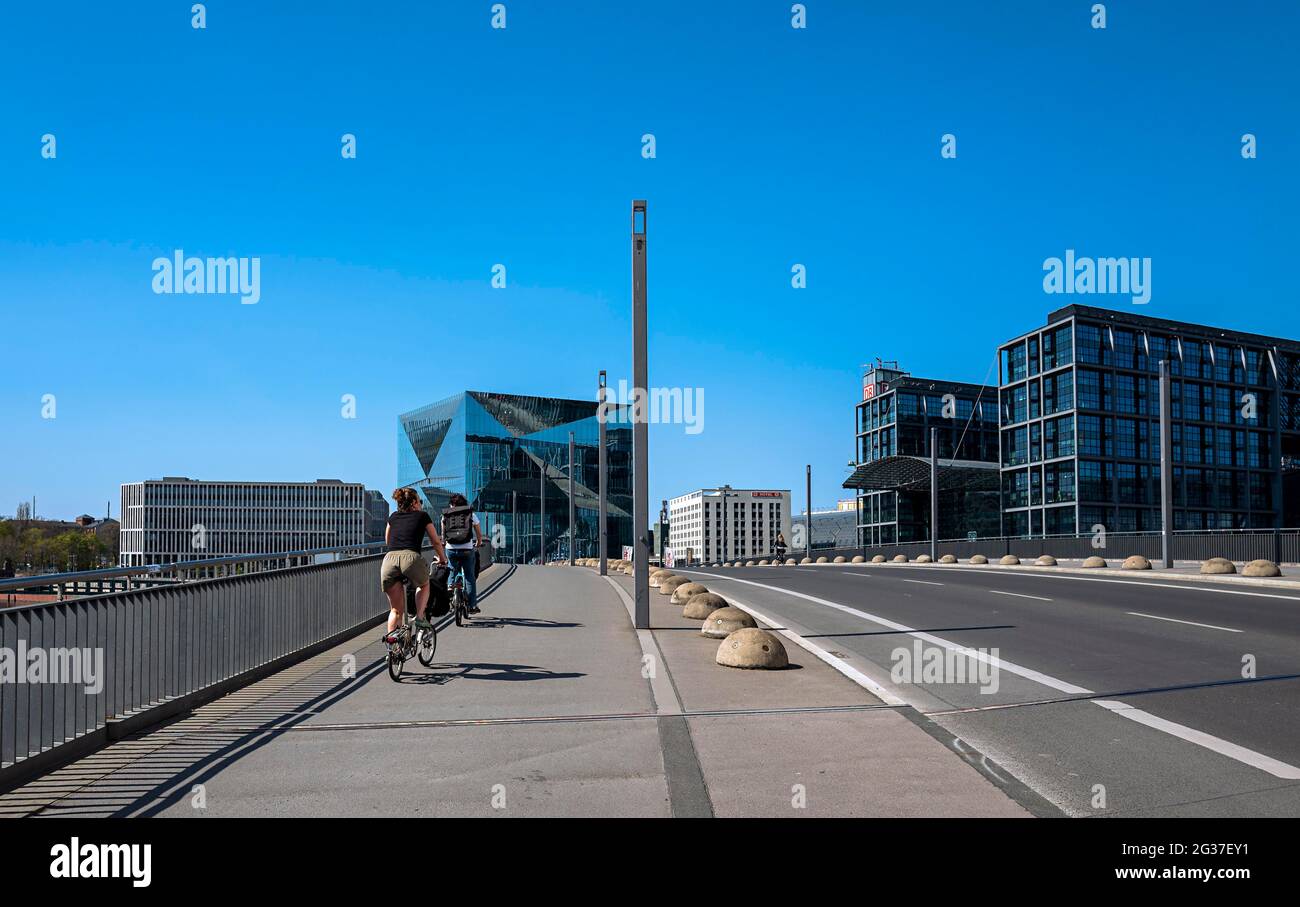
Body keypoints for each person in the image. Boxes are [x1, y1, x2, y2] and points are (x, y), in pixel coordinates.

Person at [381, 487, 446, 641]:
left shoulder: (393, 517)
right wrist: (442, 559)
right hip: (411, 558)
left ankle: (393, 647)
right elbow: (435, 541)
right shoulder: (422, 516)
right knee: (424, 584)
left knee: (395, 610)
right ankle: (420, 616)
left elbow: (387, 540)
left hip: (389, 560)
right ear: (415, 502)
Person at [441, 493, 484, 614]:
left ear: (451, 504)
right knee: (469, 576)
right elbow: (478, 533)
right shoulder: (471, 514)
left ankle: (450, 591)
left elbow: (443, 533)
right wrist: (479, 542)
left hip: (451, 548)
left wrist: (444, 542)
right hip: (467, 548)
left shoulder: (446, 514)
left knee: (452, 569)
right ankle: (472, 605)